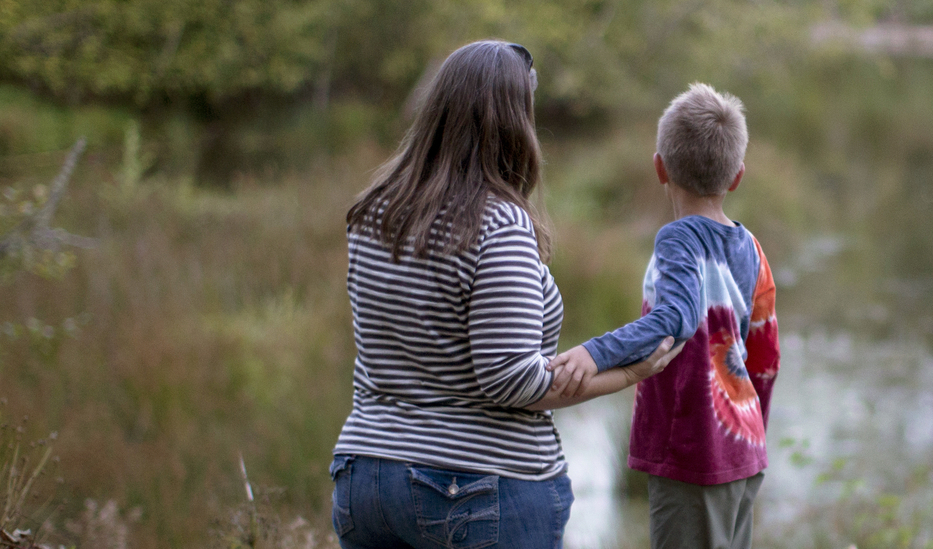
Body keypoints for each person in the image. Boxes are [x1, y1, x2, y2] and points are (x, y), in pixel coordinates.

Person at [329, 40, 683, 549]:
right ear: (515, 123)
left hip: (366, 480)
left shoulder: (372, 212)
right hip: (474, 489)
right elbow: (511, 381)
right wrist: (629, 372)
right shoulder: (498, 223)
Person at [549, 82, 780, 549]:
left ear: (659, 167)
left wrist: (595, 354)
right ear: (737, 176)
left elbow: (675, 317)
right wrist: (750, 435)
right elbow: (767, 356)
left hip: (694, 452)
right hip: (743, 449)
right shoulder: (752, 249)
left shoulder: (678, 239)